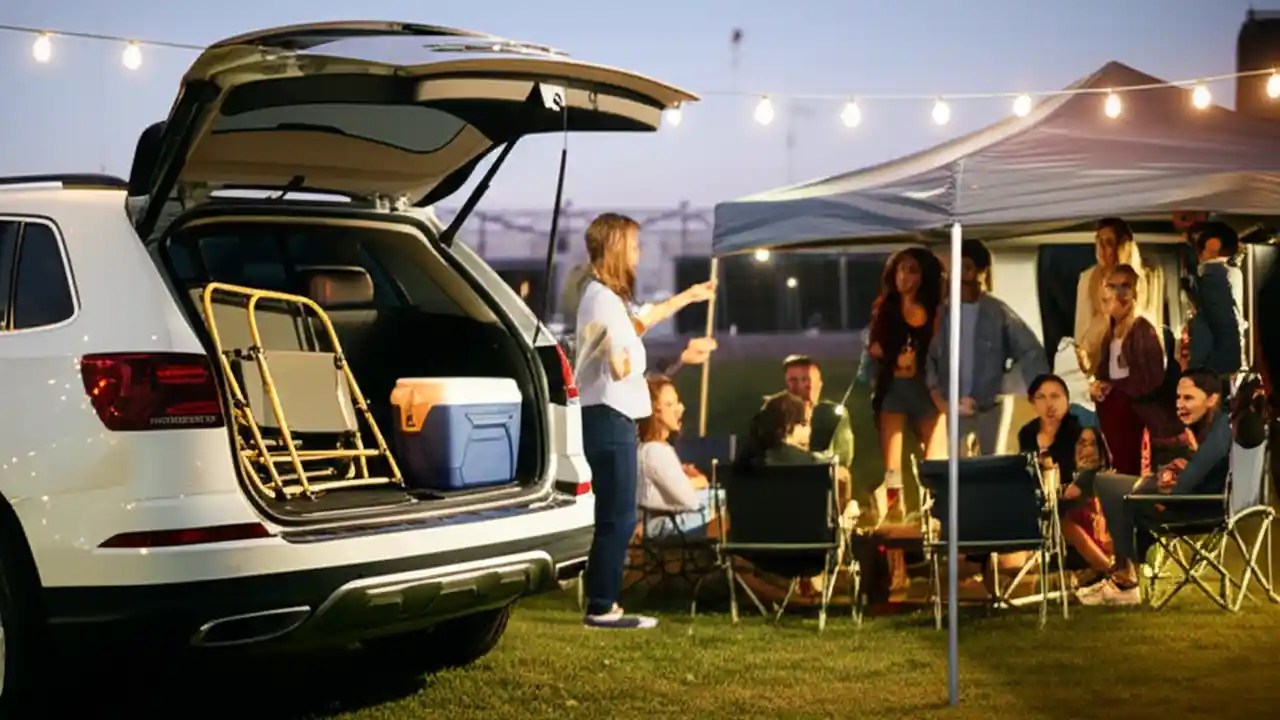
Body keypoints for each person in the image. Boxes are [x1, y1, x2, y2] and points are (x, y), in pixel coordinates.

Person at [574, 212, 714, 630]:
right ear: (615, 247)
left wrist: (686, 297)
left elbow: (637, 323)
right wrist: (634, 356)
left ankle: (603, 602)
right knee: (617, 515)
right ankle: (602, 606)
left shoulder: (603, 297)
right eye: (633, 247)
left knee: (617, 513)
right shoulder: (600, 298)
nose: (638, 255)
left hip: (608, 414)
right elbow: (620, 360)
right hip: (609, 414)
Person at [1077, 368, 1232, 605]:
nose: (1180, 404)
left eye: (1188, 398)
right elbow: (1200, 470)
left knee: (1107, 486)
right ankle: (1123, 576)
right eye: (1178, 397)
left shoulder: (1220, 432)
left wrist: (1168, 487)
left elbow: (1186, 485)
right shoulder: (1219, 427)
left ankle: (1125, 579)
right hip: (1200, 501)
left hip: (1194, 508)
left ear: (1212, 399)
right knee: (1108, 485)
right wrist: (1175, 469)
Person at [929, 240, 1049, 456]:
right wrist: (938, 395)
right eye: (955, 269)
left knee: (991, 461)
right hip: (949, 407)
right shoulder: (940, 315)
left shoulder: (997, 312)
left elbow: (1033, 352)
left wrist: (1003, 384)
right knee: (955, 467)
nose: (962, 277)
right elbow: (929, 358)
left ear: (983, 273)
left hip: (989, 407)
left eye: (968, 268)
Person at [864, 248, 946, 523]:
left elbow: (936, 350)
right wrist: (890, 357)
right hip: (893, 389)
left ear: (924, 276)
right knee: (892, 464)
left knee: (933, 456)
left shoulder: (934, 311)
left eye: (912, 270)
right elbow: (875, 347)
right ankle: (894, 513)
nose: (904, 277)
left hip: (923, 389)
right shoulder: (885, 308)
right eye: (901, 269)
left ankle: (934, 513)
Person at [1089, 265, 1180, 475]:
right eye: (1112, 286)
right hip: (1112, 411)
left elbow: (1153, 379)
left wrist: (1118, 390)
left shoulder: (1142, 329)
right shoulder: (1108, 331)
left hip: (1132, 414)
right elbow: (1106, 371)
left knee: (1130, 469)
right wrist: (1100, 386)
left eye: (1125, 287)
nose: (1118, 294)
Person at [1075, 218, 1164, 378]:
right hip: (1098, 367)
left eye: (1108, 243)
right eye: (1098, 242)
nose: (1101, 249)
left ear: (1121, 246)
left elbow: (1153, 323)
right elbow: (1082, 327)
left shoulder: (1147, 277)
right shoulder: (1088, 278)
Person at [636, 376, 718, 539]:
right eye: (669, 404)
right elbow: (690, 502)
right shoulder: (656, 451)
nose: (679, 408)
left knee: (714, 497)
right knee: (717, 498)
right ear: (655, 412)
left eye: (677, 402)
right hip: (661, 526)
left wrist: (682, 477)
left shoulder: (643, 448)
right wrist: (698, 481)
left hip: (652, 521)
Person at [1181, 221, 1245, 381]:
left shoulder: (1214, 277)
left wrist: (1201, 369)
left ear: (1212, 244)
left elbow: (1220, 322)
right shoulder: (1221, 276)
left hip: (1212, 367)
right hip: (1214, 365)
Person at [782, 354, 854, 472]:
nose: (800, 386)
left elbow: (843, 458)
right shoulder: (775, 414)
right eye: (793, 380)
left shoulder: (832, 415)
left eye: (806, 379)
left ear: (819, 384)